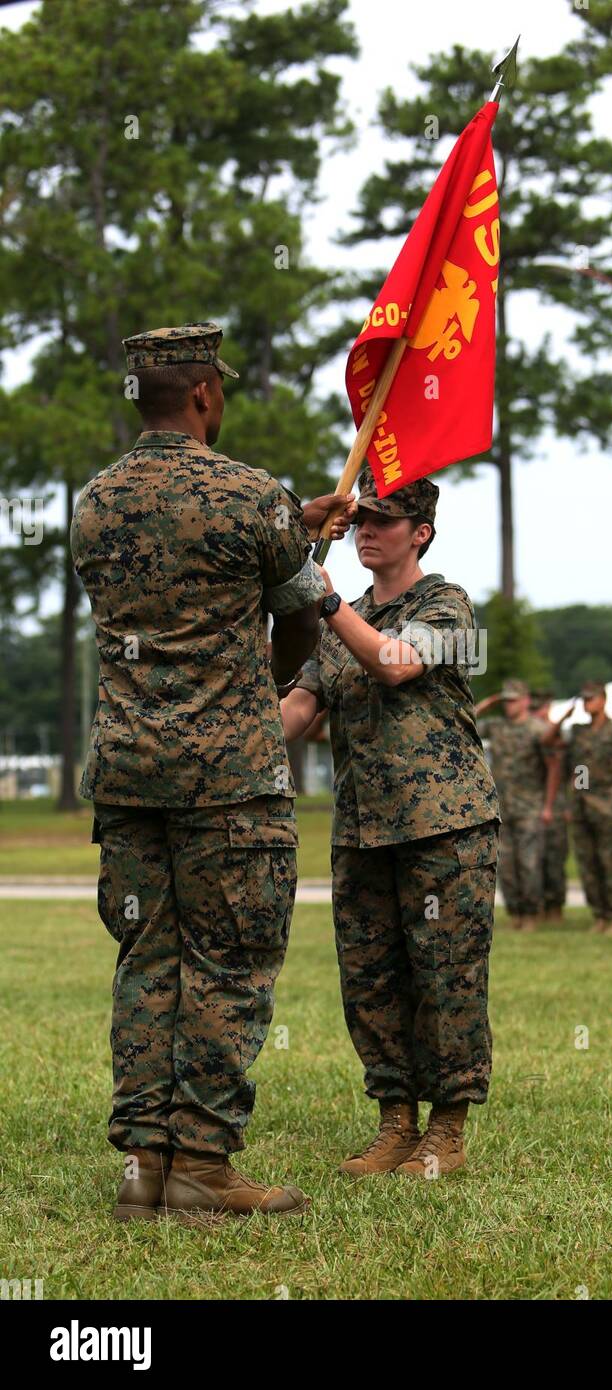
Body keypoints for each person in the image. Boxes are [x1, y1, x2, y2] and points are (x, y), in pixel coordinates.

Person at [71, 321, 354, 1221]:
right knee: (229, 964)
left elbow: (177, 576)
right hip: (229, 777)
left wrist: (290, 529)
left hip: (126, 775)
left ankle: (144, 1168)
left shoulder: (95, 502)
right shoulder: (252, 496)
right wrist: (291, 554)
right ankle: (201, 1164)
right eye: (220, 389)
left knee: (146, 960)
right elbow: (296, 611)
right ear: (202, 393)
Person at [280, 466, 499, 1178]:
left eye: (383, 521)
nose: (367, 531)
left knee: (445, 977)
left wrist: (325, 597)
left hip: (444, 825)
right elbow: (300, 710)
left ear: (421, 533)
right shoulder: (336, 621)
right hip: (363, 828)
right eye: (360, 521)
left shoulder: (446, 605)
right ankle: (394, 1122)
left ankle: (448, 1131)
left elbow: (396, 664)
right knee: (371, 981)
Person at [557, 681, 612, 936]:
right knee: (587, 864)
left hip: (608, 805)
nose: (586, 703)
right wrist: (563, 717)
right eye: (584, 699)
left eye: (591, 698)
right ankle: (600, 915)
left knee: (611, 862)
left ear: (603, 700)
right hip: (581, 806)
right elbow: (549, 741)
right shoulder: (577, 731)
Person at [475, 680, 558, 931]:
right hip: (501, 808)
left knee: (529, 863)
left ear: (525, 701)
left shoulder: (537, 729)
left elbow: (553, 768)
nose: (509, 705)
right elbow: (464, 721)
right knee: (506, 866)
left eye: (513, 700)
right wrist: (489, 703)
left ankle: (532, 913)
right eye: (506, 700)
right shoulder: (496, 727)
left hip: (530, 806)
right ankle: (516, 912)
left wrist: (548, 805)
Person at [531, 689, 570, 923]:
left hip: (556, 804)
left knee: (555, 858)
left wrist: (569, 802)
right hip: (532, 803)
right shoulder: (532, 734)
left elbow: (573, 771)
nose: (537, 713)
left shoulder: (558, 735)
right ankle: (540, 905)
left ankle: (556, 906)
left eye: (541, 708)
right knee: (537, 859)